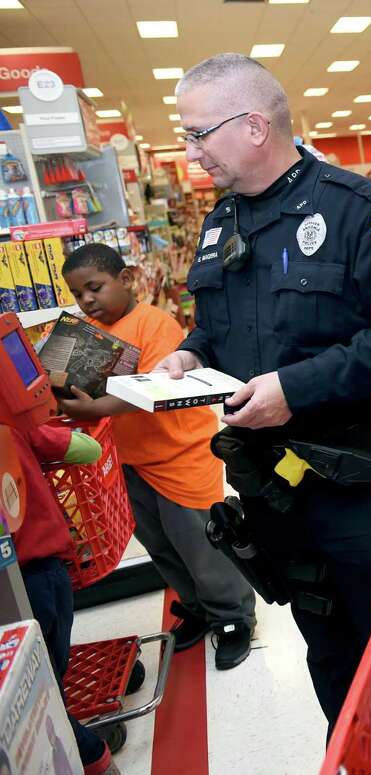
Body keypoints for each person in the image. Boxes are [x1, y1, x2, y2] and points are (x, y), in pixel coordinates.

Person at [156, 53, 371, 727]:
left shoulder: (358, 210)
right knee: (327, 644)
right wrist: (187, 352)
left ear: (254, 126)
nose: (190, 150)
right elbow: (218, 325)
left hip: (363, 484)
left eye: (199, 132)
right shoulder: (220, 223)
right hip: (273, 487)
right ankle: (352, 749)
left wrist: (297, 387)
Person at [57, 243, 257, 669]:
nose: (87, 300)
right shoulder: (88, 331)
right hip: (131, 461)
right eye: (78, 294)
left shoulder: (154, 324)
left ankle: (233, 616)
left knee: (202, 544)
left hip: (180, 456)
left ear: (126, 279)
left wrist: (92, 408)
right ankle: (199, 608)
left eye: (95, 287)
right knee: (162, 546)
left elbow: (152, 391)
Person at [9, 422, 120, 775]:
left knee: (39, 693)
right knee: (49, 676)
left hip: (19, 588)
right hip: (50, 573)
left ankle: (91, 755)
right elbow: (87, 449)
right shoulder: (15, 426)